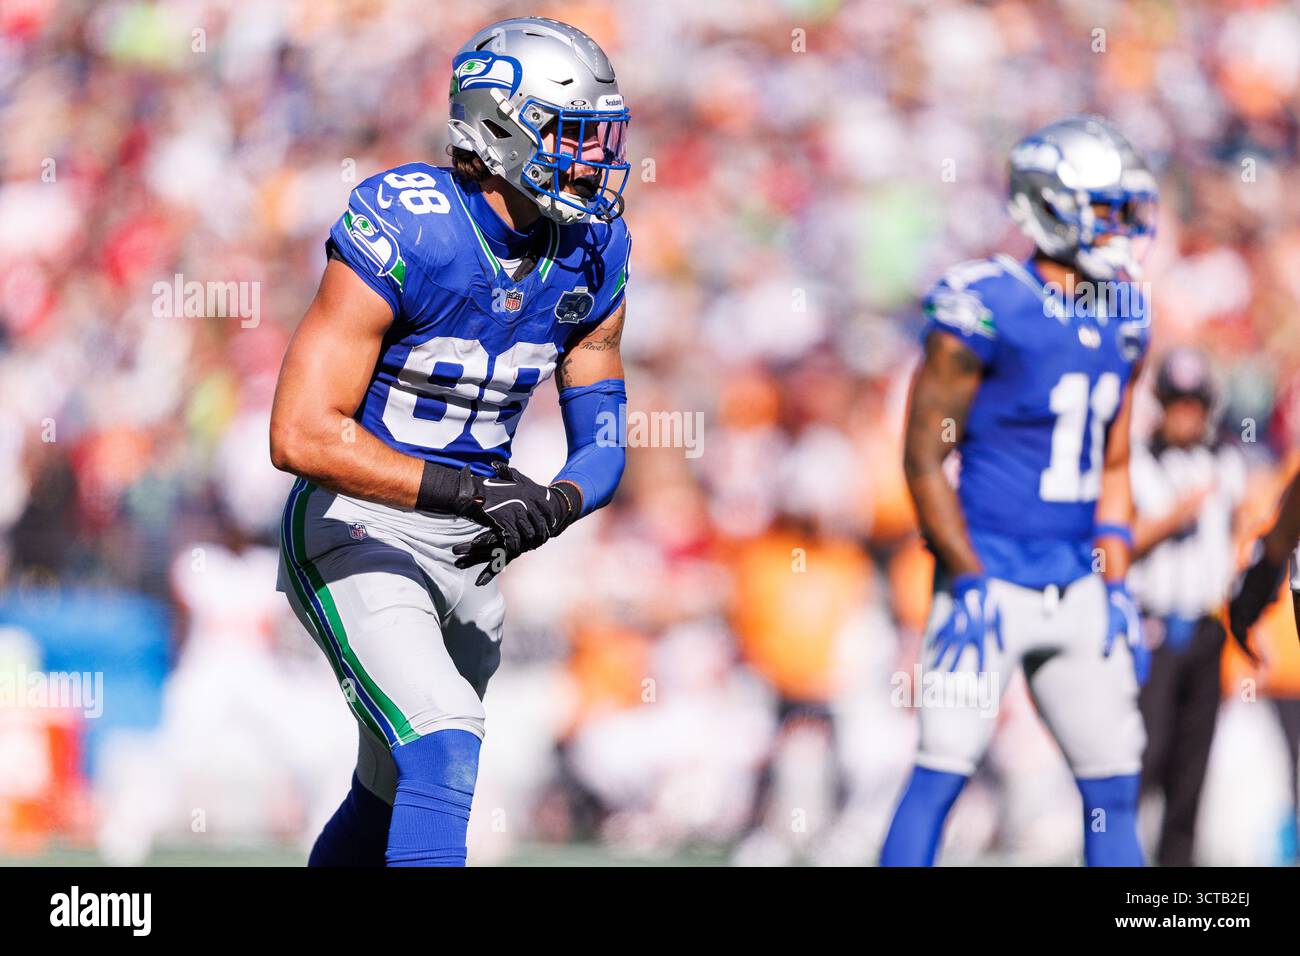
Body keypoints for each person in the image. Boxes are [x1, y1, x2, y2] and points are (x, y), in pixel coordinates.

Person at [268, 16, 632, 867]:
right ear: (497, 127)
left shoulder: (594, 251)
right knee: (445, 743)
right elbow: (298, 433)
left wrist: (559, 501)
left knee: (389, 789)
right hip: (357, 520)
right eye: (570, 135)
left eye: (597, 138)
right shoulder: (412, 226)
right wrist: (473, 492)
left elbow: (605, 438)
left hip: (469, 552)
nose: (592, 160)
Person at [881, 116, 1157, 866]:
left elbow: (1118, 462)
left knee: (1114, 789)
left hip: (1076, 583)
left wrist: (1118, 575)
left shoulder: (1128, 314)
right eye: (1108, 208)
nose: (1125, 226)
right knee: (942, 772)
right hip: (989, 580)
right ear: (1051, 206)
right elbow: (922, 458)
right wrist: (965, 575)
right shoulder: (986, 302)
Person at [1128, 349, 1246, 866]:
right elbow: (1119, 545)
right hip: (1152, 627)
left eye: (1193, 406)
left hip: (1204, 630)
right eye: (1176, 405)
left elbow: (1236, 540)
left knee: (1191, 767)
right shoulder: (1136, 461)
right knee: (1141, 759)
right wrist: (1177, 513)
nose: (1184, 417)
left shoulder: (1226, 462)